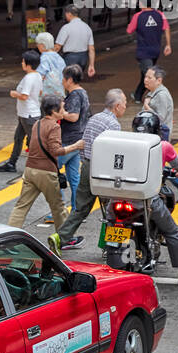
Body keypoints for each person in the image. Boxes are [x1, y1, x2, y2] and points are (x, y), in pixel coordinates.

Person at [53, 88, 128, 250]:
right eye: (124, 104)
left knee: (81, 207)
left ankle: (61, 237)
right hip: (103, 171)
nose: (125, 107)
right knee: (113, 208)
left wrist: (86, 163)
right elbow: (113, 153)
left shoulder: (94, 119)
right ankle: (111, 243)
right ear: (116, 106)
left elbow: (84, 143)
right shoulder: (113, 125)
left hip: (87, 166)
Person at [128, 111, 178, 283]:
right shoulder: (163, 146)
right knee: (171, 232)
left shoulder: (126, 144)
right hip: (149, 198)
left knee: (110, 220)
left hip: (123, 196)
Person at [8, 95, 80, 231]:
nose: (65, 111)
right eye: (63, 108)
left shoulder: (38, 123)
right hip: (46, 172)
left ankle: (8, 239)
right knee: (58, 207)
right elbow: (56, 150)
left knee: (21, 207)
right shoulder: (54, 127)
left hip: (30, 170)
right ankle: (64, 239)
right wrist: (75, 146)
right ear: (54, 111)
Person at [0, 50, 42, 174]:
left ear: (28, 64)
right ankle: (12, 162)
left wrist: (14, 93)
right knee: (18, 138)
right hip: (26, 114)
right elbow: (40, 93)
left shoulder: (29, 78)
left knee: (33, 142)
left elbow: (24, 96)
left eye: (23, 61)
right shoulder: (37, 75)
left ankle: (37, 166)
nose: (21, 63)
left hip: (29, 115)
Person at [57, 65, 89, 210]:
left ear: (69, 80)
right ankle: (77, 210)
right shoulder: (83, 93)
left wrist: (61, 111)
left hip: (68, 141)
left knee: (52, 173)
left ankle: (58, 210)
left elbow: (73, 117)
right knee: (74, 178)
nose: (62, 81)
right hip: (79, 140)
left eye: (63, 78)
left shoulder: (75, 95)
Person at [126, 5, 171, 102]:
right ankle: (137, 96)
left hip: (143, 51)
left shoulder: (138, 16)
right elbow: (167, 28)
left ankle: (155, 98)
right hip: (155, 51)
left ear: (142, 4)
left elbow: (129, 30)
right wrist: (168, 44)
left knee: (149, 75)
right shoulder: (160, 14)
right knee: (146, 74)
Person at [142, 66, 174, 143]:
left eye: (149, 78)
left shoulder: (161, 95)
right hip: (153, 136)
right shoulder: (152, 92)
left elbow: (160, 119)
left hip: (159, 138)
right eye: (145, 77)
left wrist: (146, 106)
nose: (145, 80)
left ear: (159, 80)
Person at [35, 32, 66, 100]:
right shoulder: (59, 58)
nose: (37, 46)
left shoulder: (44, 58)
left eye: (38, 44)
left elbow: (41, 75)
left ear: (43, 45)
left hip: (47, 94)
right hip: (59, 91)